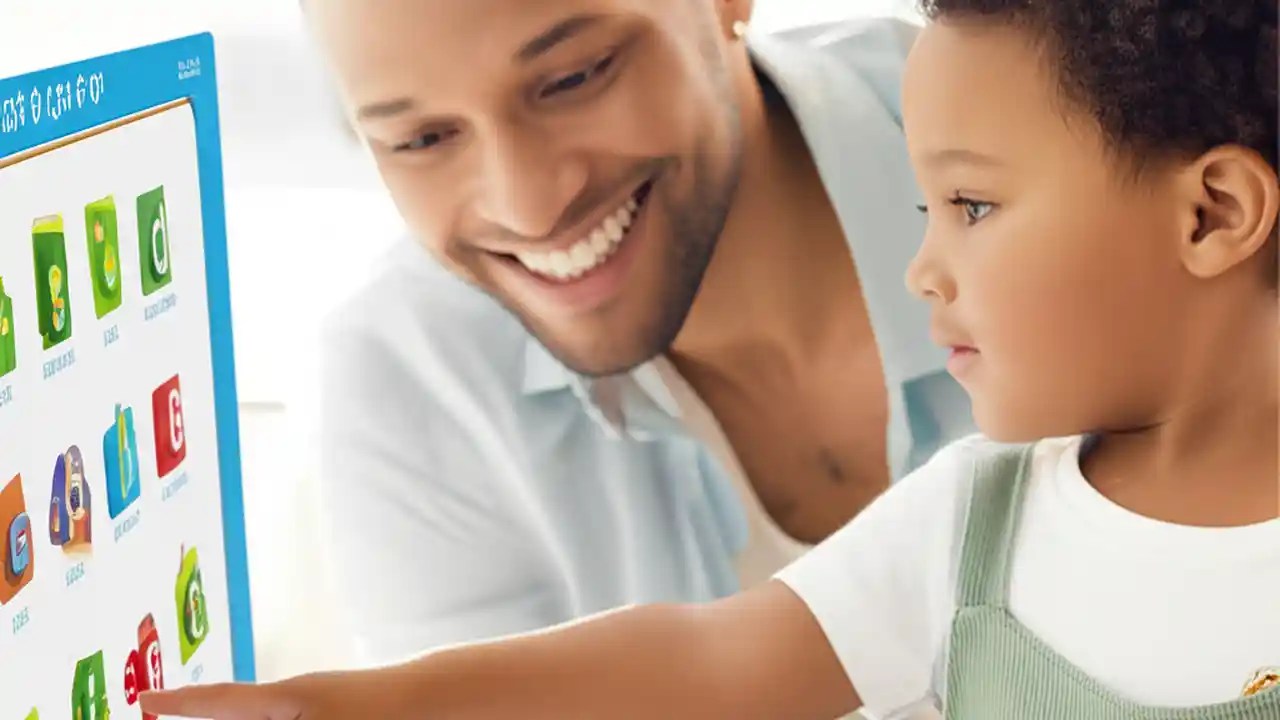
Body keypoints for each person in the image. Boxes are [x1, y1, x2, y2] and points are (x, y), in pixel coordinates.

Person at [145, 0, 1280, 717]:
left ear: (1212, 213)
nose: (917, 267)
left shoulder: (1016, 80)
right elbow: (697, 665)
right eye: (417, 137)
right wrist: (341, 710)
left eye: (573, 74)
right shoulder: (971, 522)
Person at [305, 0, 974, 665]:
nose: (528, 207)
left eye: (575, 77)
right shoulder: (413, 380)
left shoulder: (1046, 141)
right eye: (422, 140)